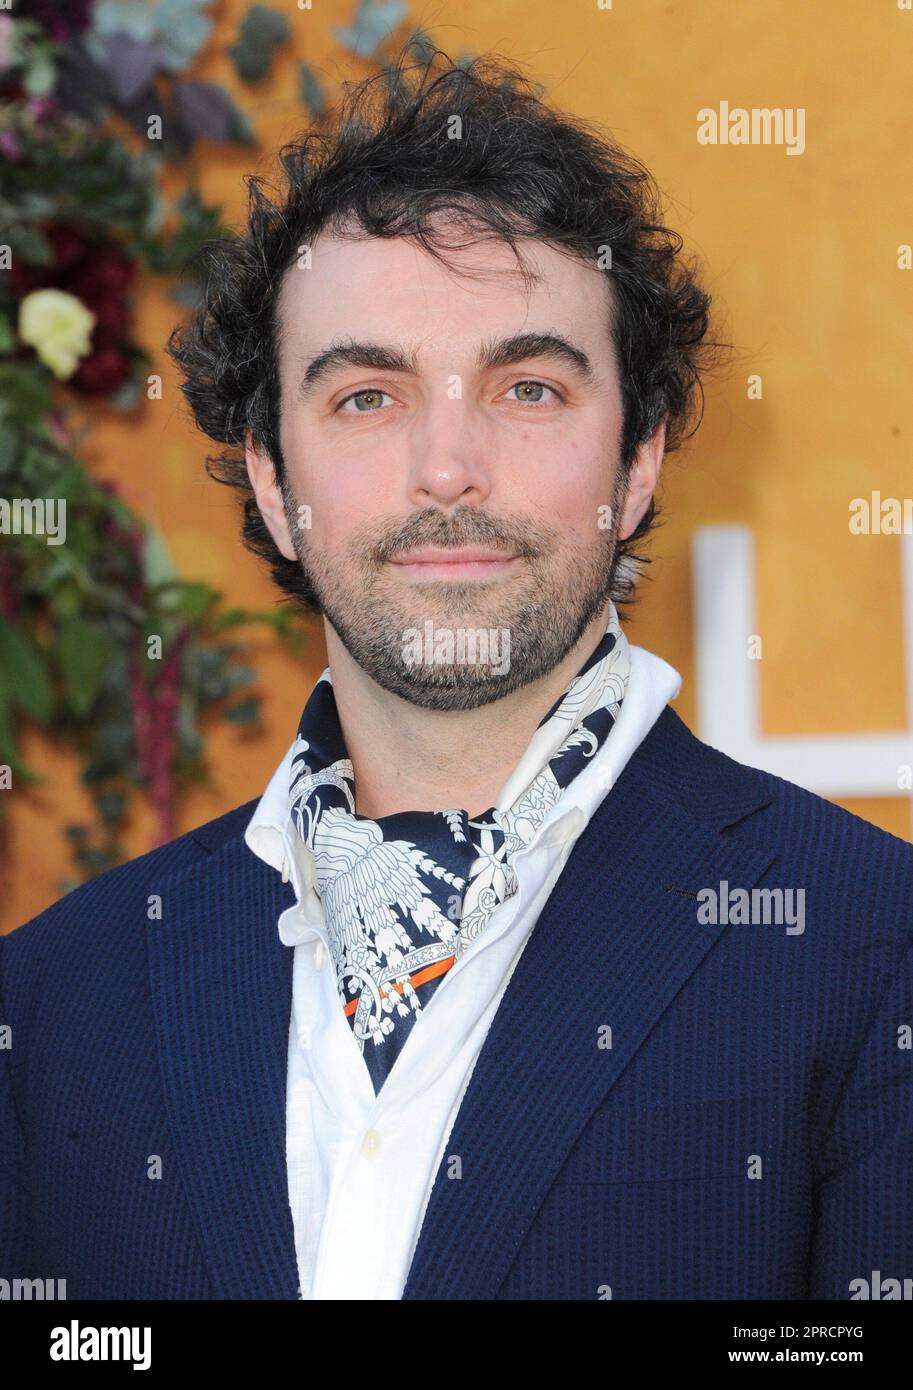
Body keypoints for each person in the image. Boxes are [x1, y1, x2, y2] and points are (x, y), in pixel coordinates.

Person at [2, 48, 911, 1302]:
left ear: (636, 461)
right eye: (367, 397)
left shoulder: (874, 947)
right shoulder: (52, 998)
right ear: (273, 480)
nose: (447, 467)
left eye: (527, 387)